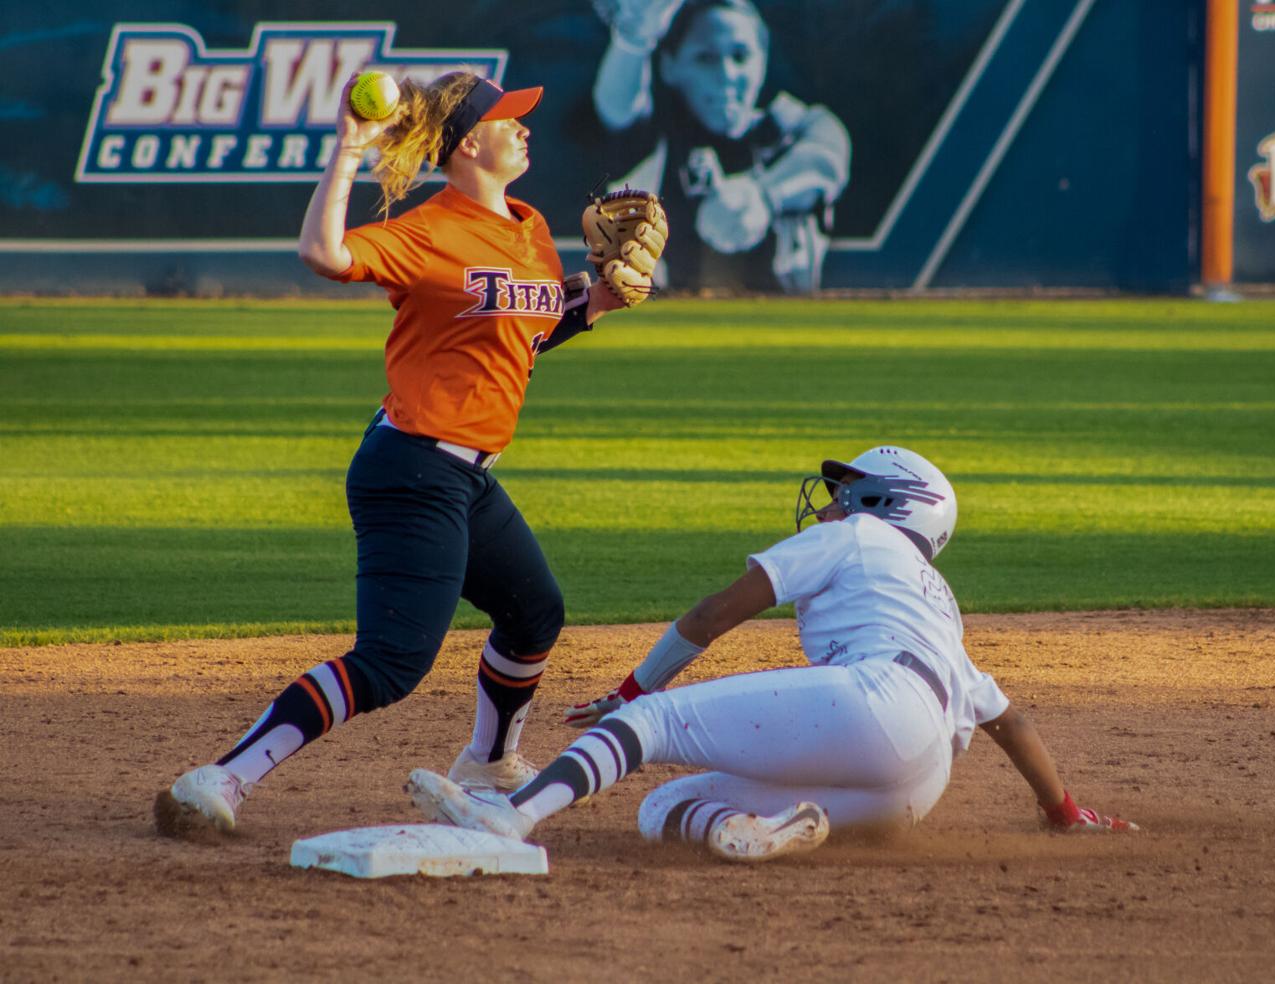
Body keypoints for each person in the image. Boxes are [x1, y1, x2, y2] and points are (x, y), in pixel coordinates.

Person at [155, 70, 636, 835]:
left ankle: (487, 762)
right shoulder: (430, 231)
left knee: (534, 612)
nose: (525, 129)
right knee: (391, 663)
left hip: (466, 478)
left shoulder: (531, 228)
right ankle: (221, 778)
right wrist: (348, 153)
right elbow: (325, 253)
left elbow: (530, 331)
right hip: (411, 469)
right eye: (510, 120)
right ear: (470, 142)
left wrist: (599, 299)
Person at [405, 446, 1139, 863]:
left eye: (847, 488)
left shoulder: (853, 537)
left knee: (651, 726)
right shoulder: (937, 599)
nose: (829, 498)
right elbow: (1009, 723)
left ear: (888, 502)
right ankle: (762, 832)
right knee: (667, 804)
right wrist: (1063, 811)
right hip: (917, 786)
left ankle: (510, 815)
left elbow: (711, 615)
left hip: (875, 703)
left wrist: (630, 693)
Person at [590, 0, 850, 293]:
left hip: (791, 320)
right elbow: (617, 109)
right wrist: (633, 39)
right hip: (674, 319)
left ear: (762, 61)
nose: (727, 74)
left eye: (741, 56)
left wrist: (763, 196)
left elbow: (826, 155)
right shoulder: (660, 140)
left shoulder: (791, 127)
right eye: (705, 58)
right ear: (670, 67)